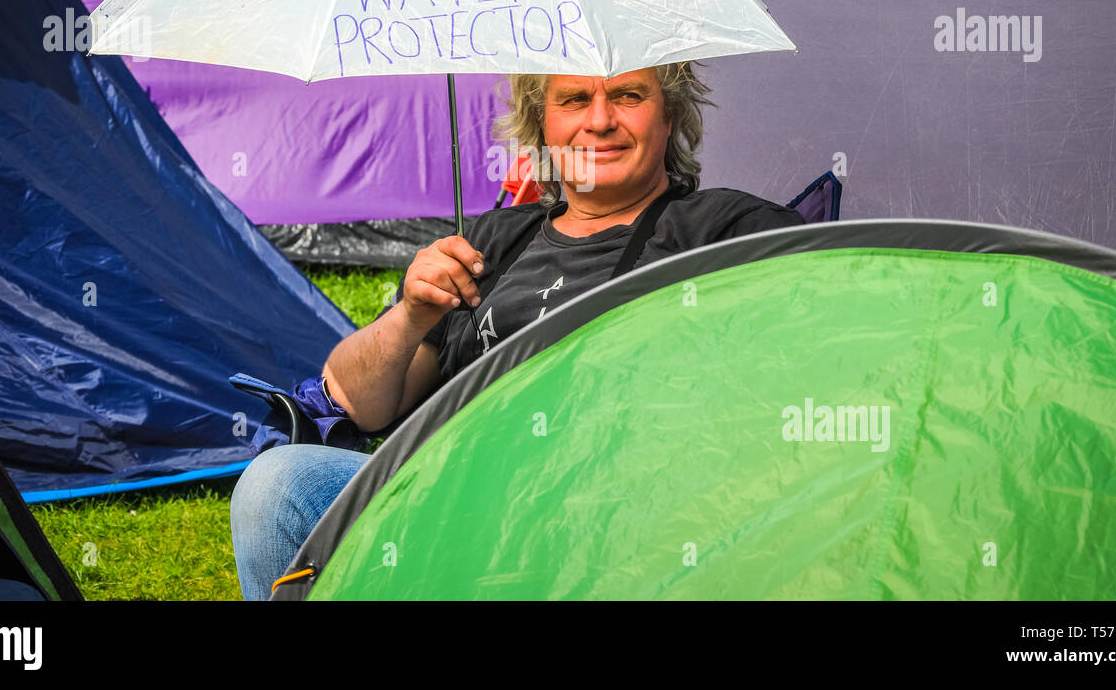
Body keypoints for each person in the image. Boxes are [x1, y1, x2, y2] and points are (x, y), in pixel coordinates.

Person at [230, 62, 804, 599]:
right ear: (542, 124)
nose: (600, 120)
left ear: (669, 116)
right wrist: (410, 316)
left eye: (629, 96)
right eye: (575, 100)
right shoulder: (495, 241)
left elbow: (796, 374)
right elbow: (361, 404)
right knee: (279, 483)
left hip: (622, 519)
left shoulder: (728, 230)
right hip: (459, 507)